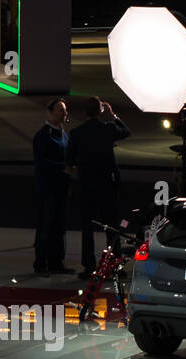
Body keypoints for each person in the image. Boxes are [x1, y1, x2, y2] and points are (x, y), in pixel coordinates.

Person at [66, 96, 130, 276]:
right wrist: (113, 116)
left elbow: (69, 162)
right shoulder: (108, 129)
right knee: (112, 226)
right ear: (101, 111)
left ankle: (89, 266)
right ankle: (114, 264)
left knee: (87, 227)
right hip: (107, 184)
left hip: (86, 185)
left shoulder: (77, 133)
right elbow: (126, 131)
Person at [32, 98, 72, 274]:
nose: (64, 114)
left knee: (58, 226)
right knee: (46, 226)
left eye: (64, 111)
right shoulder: (43, 136)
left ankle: (56, 262)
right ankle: (41, 263)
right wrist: (64, 168)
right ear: (49, 113)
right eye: (60, 111)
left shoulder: (63, 134)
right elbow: (41, 163)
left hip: (60, 188)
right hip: (48, 189)